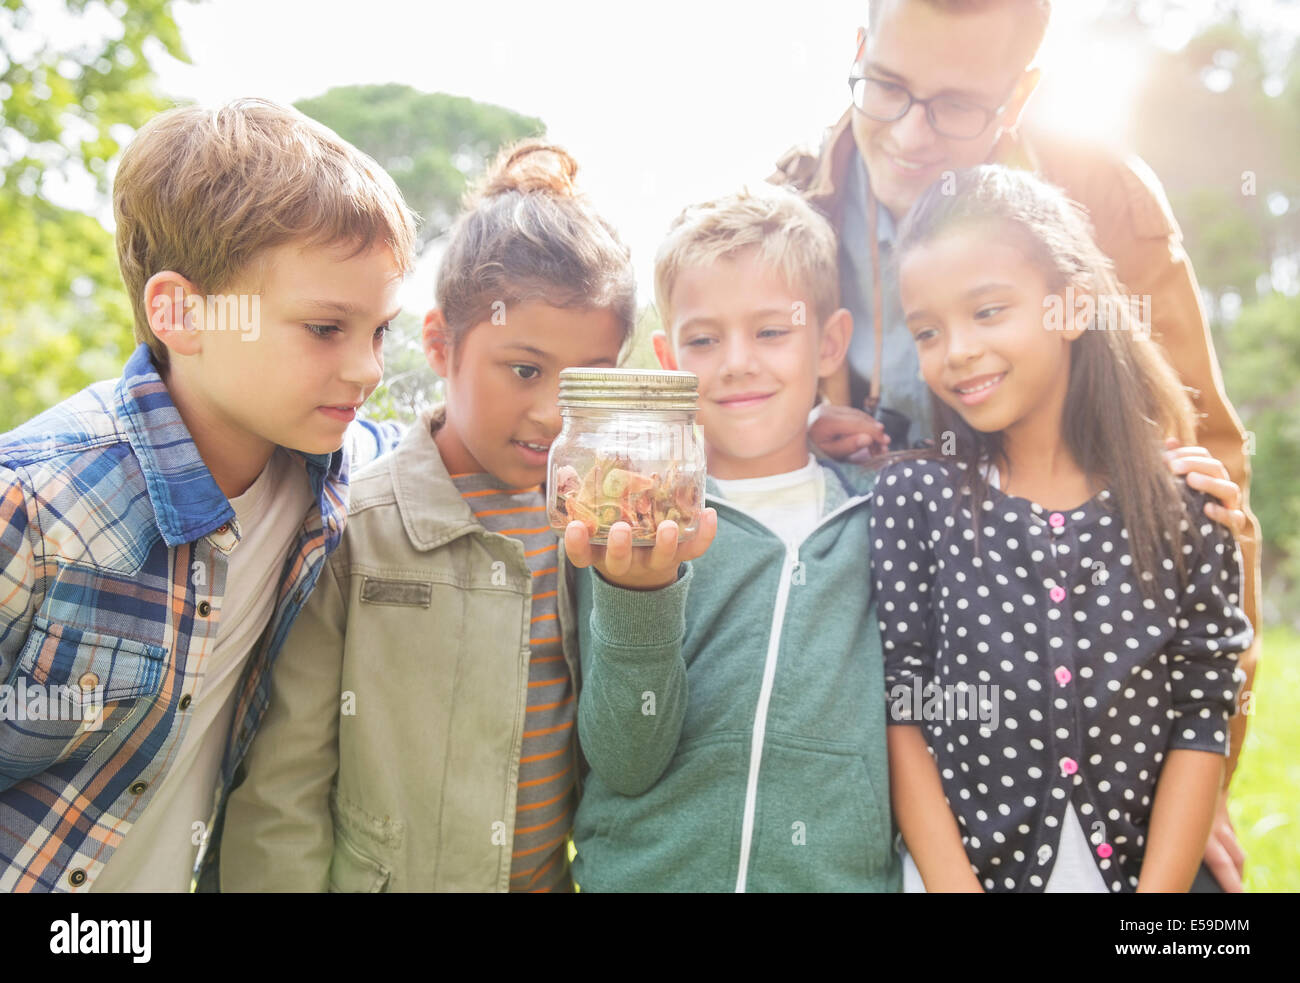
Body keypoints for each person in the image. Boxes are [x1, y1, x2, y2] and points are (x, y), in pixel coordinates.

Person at [772, 0, 1261, 890]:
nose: (912, 134)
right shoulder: (788, 210)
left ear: (1020, 95)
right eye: (888, 88)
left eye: (957, 105)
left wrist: (1203, 773)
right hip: (907, 714)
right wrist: (794, 433)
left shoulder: (1107, 199)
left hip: (1115, 758)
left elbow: (1206, 460)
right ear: (860, 48)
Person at [0, 99, 415, 892]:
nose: (367, 368)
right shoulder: (35, 507)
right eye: (325, 328)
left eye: (379, 331)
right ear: (181, 313)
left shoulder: (331, 468)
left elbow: (437, 450)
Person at [218, 141, 646, 892]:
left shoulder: (590, 528)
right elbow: (283, 792)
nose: (553, 412)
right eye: (524, 369)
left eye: (586, 380)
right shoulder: (354, 528)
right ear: (442, 345)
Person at [873, 165, 1252, 892]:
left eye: (987, 312)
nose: (956, 350)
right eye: (927, 330)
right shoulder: (914, 499)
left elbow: (1202, 712)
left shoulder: (1186, 506)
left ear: (1073, 308)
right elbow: (902, 705)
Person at [564, 186, 898, 892]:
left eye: (772, 332)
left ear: (829, 343)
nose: (737, 362)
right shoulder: (631, 521)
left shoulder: (881, 522)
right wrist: (638, 599)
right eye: (704, 339)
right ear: (669, 358)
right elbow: (624, 761)